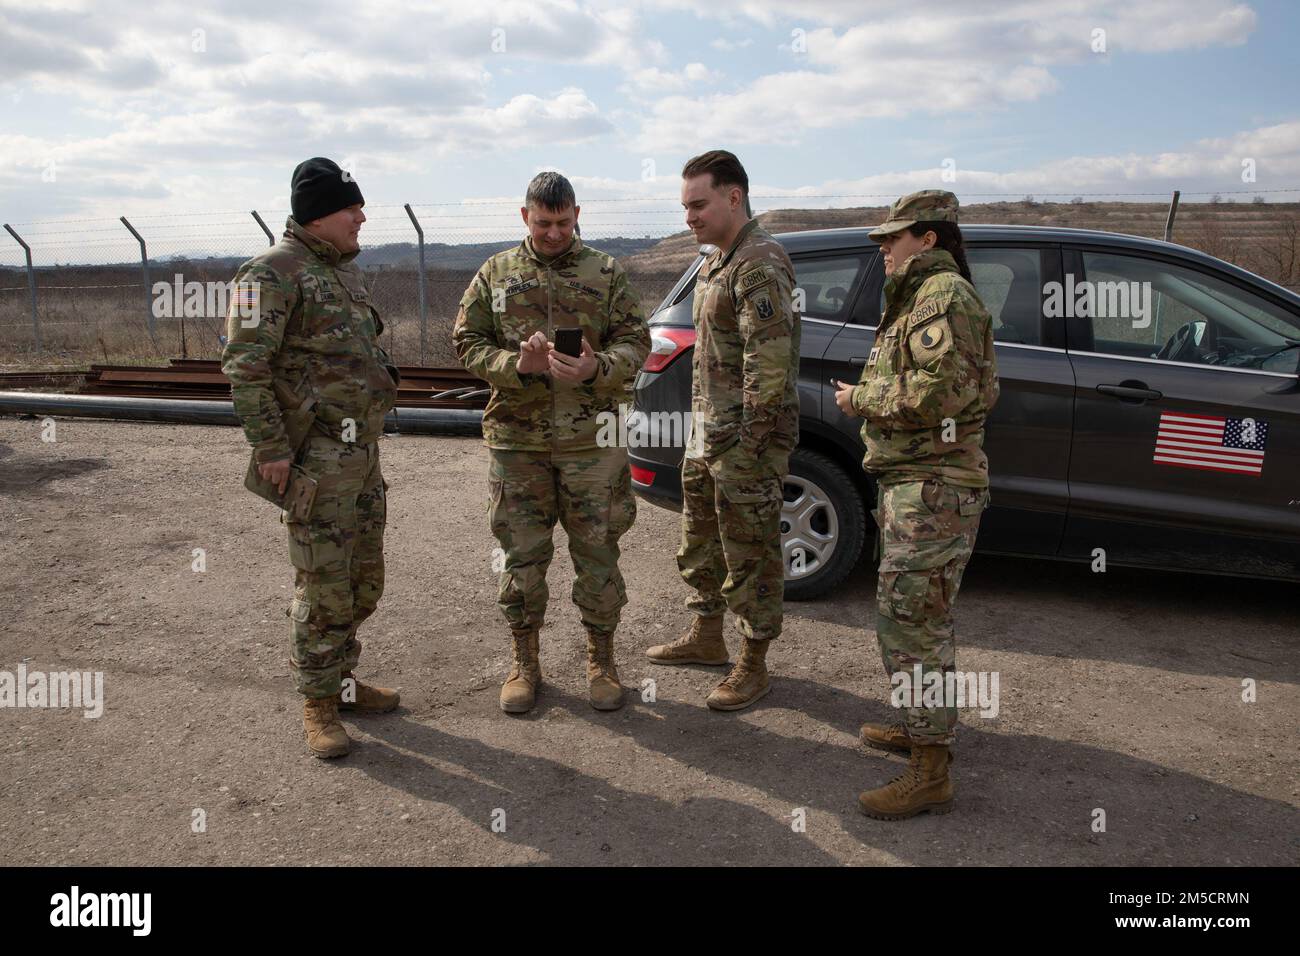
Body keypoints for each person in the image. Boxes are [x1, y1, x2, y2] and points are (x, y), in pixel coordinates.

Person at [223, 157, 401, 760]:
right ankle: (318, 703)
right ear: (320, 214)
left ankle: (344, 682)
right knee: (323, 584)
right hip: (317, 457)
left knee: (363, 580)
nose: (361, 217)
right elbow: (246, 368)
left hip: (362, 454)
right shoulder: (269, 273)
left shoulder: (343, 275)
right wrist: (270, 448)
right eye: (352, 208)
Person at [453, 171, 650, 714]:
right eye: (544, 223)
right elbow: (466, 342)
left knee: (599, 554)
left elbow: (638, 342)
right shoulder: (495, 272)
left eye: (564, 222)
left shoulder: (606, 272)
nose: (555, 233)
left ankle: (601, 660)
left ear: (577, 215)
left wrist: (596, 366)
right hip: (519, 443)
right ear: (525, 217)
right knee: (521, 558)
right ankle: (525, 662)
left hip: (593, 442)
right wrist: (514, 364)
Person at [833, 189, 999, 819]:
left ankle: (931, 770)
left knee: (912, 621)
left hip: (934, 485)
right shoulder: (921, 299)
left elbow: (947, 390)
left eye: (893, 238)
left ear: (928, 238)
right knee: (914, 614)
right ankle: (918, 724)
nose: (883, 248)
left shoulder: (942, 297)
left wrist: (863, 400)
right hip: (916, 482)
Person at [645, 150, 800, 712]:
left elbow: (770, 367)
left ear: (733, 197)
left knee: (751, 553)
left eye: (697, 204)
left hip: (743, 447)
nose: (688, 216)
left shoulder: (759, 263)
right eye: (685, 205)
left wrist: (750, 452)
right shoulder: (718, 260)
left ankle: (753, 663)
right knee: (701, 543)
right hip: (708, 436)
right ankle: (708, 637)